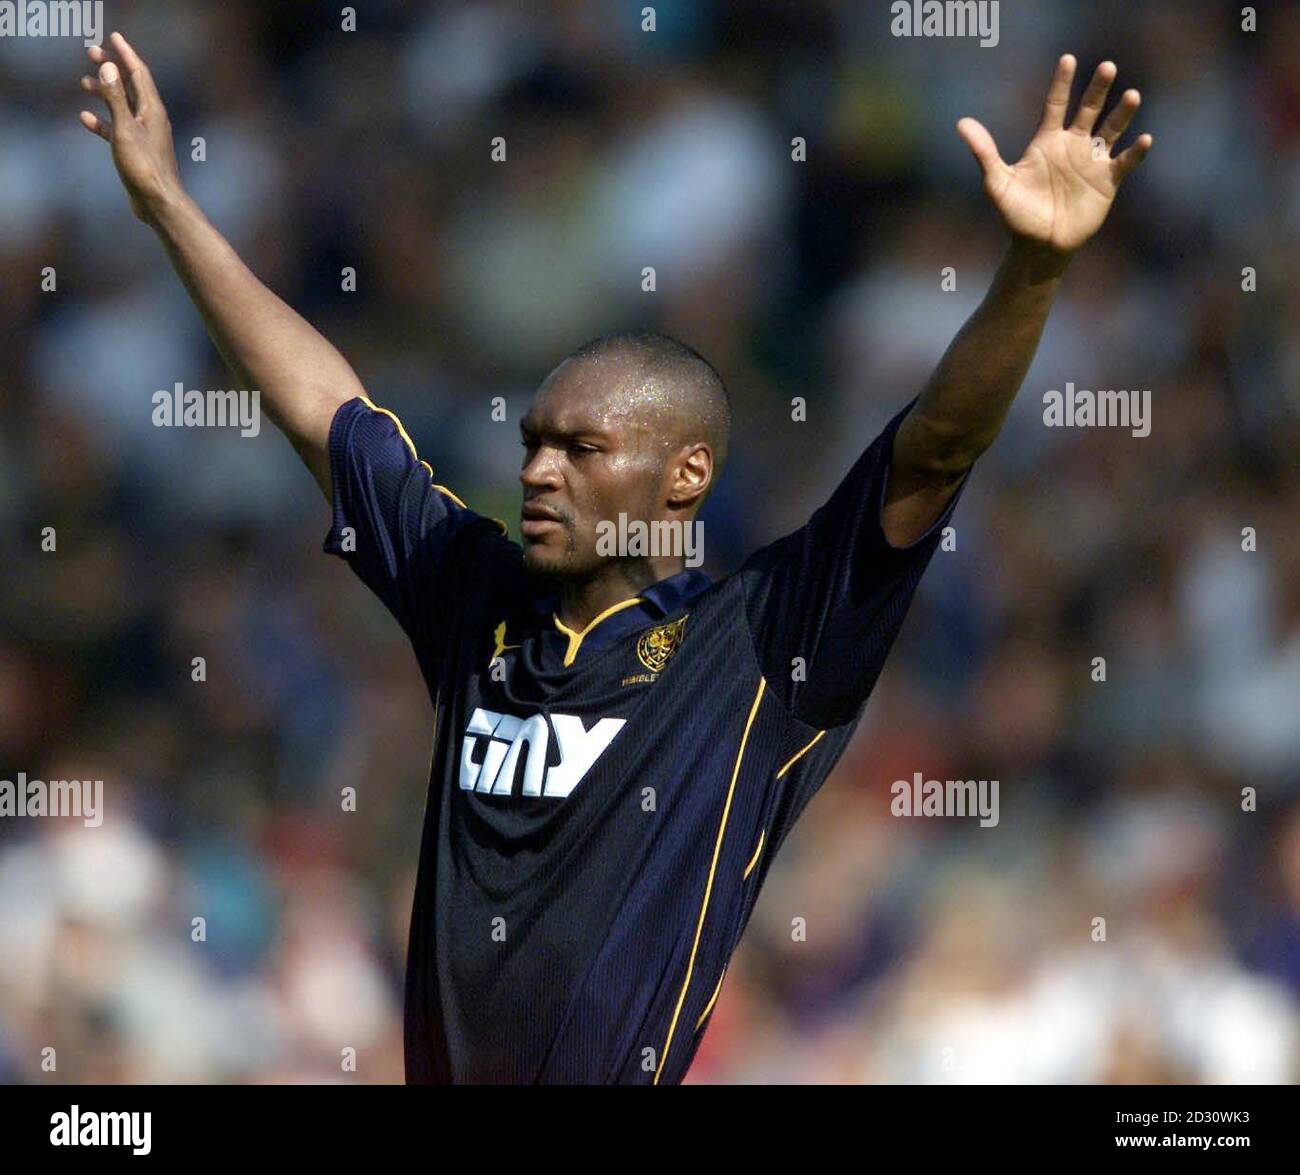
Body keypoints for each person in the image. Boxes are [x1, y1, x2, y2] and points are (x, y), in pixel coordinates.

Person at [79, 32, 1151, 1083]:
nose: (539, 471)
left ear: (683, 476)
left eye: (580, 449)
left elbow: (935, 448)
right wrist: (169, 208)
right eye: (533, 444)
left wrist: (1033, 267)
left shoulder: (761, 645)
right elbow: (323, 412)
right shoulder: (474, 593)